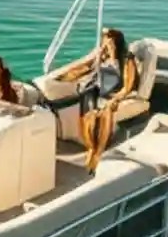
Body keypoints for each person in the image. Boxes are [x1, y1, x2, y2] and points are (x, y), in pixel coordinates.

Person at [57, 27, 140, 172]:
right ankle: (91, 147)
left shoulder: (127, 59)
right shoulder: (102, 56)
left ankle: (99, 151)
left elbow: (127, 86)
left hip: (115, 93)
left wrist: (117, 98)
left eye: (109, 39)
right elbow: (87, 68)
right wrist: (63, 77)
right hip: (98, 91)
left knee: (105, 111)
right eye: (104, 39)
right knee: (88, 115)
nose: (106, 42)